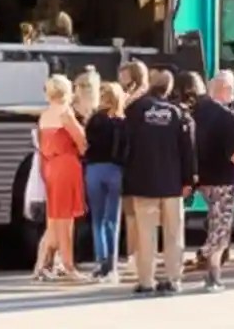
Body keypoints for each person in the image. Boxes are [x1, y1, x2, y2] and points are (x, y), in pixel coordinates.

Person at [123, 70, 197, 296]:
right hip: (173, 184)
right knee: (174, 233)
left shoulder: (135, 110)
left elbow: (126, 145)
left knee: (145, 234)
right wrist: (188, 179)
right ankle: (173, 279)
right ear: (169, 89)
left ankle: (146, 281)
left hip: (143, 182)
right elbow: (188, 150)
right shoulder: (178, 113)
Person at [193, 73, 234, 292]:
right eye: (233, 89)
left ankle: (213, 274)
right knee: (221, 227)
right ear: (224, 89)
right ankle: (207, 258)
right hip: (224, 178)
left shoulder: (197, 112)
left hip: (203, 178)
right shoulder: (230, 117)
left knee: (216, 223)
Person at [37, 74, 88, 282]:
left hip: (49, 166)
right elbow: (82, 142)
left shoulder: (44, 115)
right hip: (66, 165)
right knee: (66, 220)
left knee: (54, 218)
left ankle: (41, 264)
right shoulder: (65, 113)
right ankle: (68, 266)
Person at [84, 80, 127, 282]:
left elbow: (86, 145)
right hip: (115, 171)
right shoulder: (122, 123)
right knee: (113, 219)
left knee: (97, 220)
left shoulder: (93, 120)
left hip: (94, 170)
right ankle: (113, 265)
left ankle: (100, 262)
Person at [117, 60, 149, 271]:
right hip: (141, 162)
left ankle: (134, 253)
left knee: (133, 213)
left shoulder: (133, 101)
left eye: (124, 75)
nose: (120, 78)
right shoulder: (143, 97)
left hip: (133, 162)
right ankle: (137, 253)